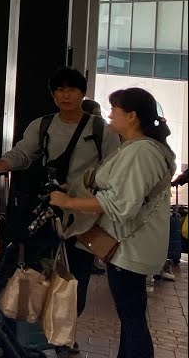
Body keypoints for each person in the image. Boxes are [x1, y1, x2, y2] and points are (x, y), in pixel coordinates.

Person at [0, 67, 118, 325]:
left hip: (84, 218)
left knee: (75, 278)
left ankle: (64, 333)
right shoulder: (43, 125)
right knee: (38, 273)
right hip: (47, 213)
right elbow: (21, 154)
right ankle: (35, 331)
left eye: (72, 90)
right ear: (53, 94)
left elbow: (114, 170)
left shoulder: (102, 130)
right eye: (60, 90)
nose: (66, 95)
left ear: (82, 93)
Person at [48, 87, 176, 358]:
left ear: (131, 116)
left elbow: (121, 205)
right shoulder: (139, 148)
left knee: (132, 319)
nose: (109, 114)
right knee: (131, 317)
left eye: (115, 109)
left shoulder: (141, 152)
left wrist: (69, 202)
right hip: (132, 247)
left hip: (130, 248)